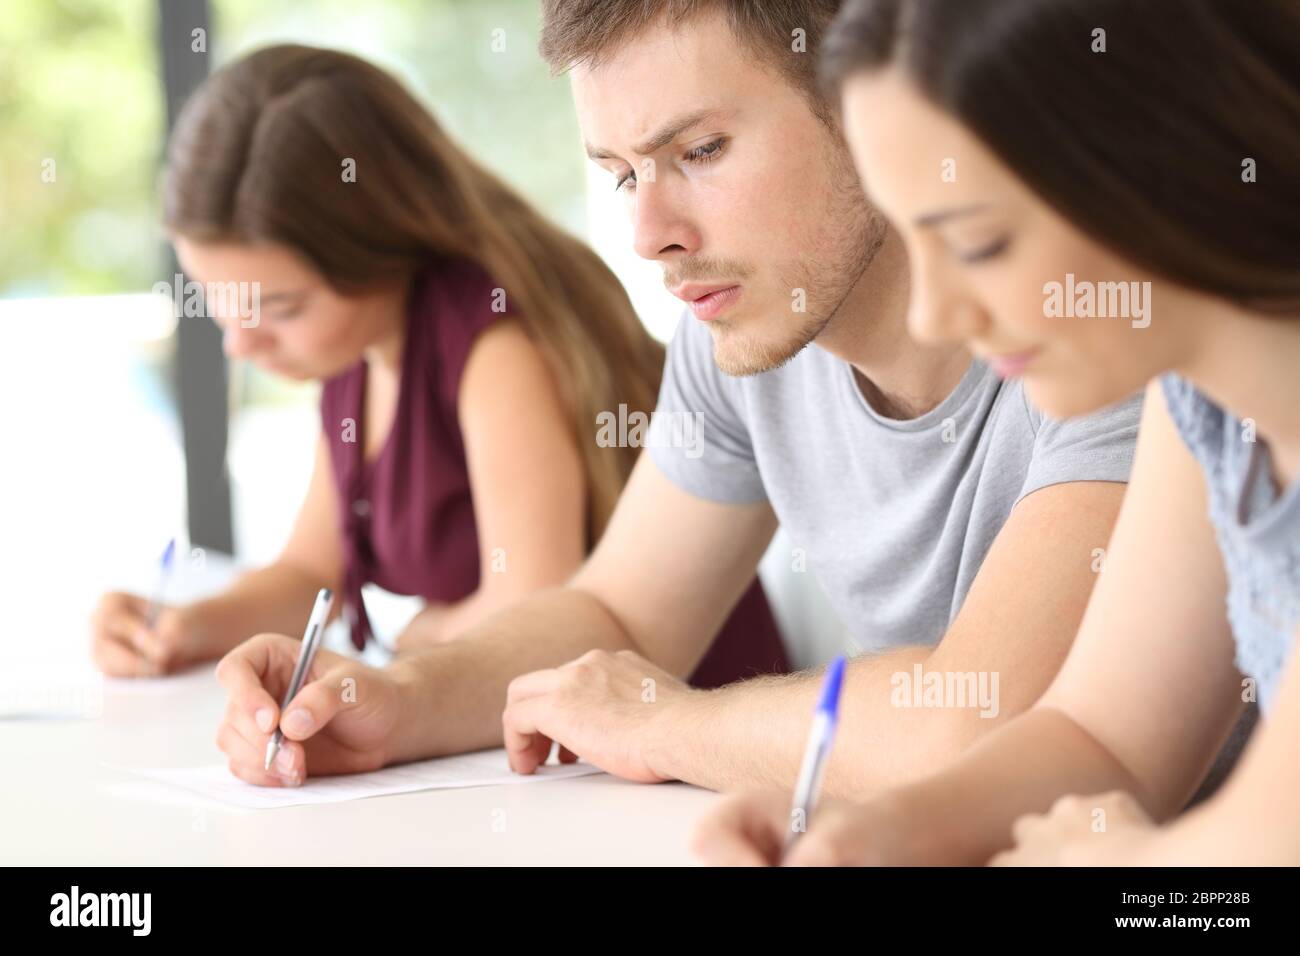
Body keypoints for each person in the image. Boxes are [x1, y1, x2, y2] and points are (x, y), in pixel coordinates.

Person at [212, 2, 1141, 794]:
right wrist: (400, 701)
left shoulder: (1104, 317)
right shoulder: (737, 333)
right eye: (620, 173)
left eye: (699, 150)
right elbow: (618, 614)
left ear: (866, 96)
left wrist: (670, 726)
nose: (647, 234)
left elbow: (974, 716)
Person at [695, 0, 1299, 865]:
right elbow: (1106, 740)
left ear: (1165, 157)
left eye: (975, 241)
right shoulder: (1201, 397)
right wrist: (876, 836)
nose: (937, 314)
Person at [90, 44, 785, 700]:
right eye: (222, 304)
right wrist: (181, 627)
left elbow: (529, 603)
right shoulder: (352, 351)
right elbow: (309, 571)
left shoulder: (489, 340)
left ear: (383, 245)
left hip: (677, 735)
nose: (241, 345)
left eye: (281, 307)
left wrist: (411, 637)